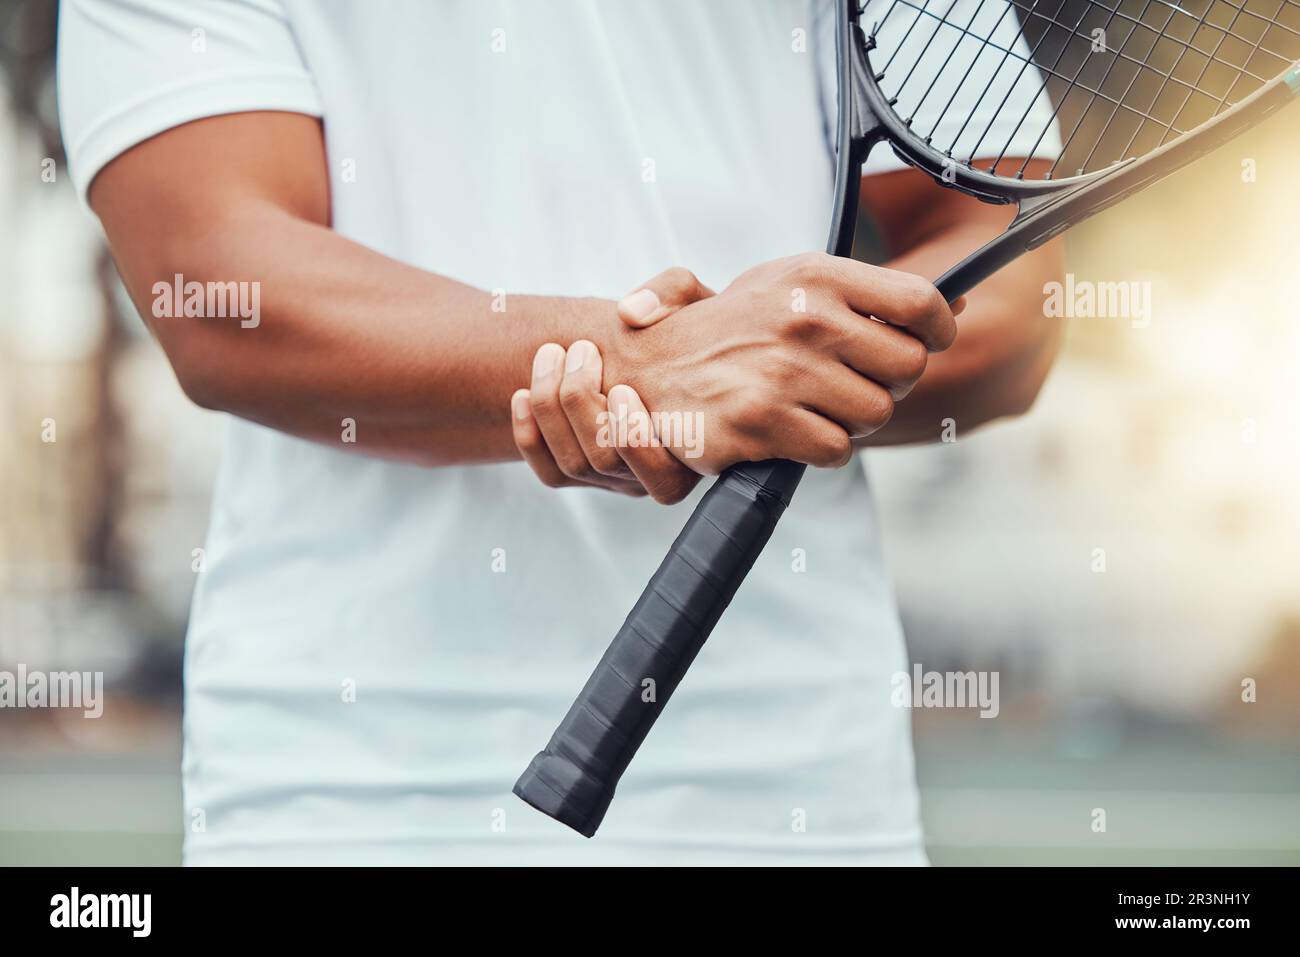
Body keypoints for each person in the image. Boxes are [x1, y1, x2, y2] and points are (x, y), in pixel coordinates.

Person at [58, 0, 1062, 865]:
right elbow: (223, 297)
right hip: (345, 785)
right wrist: (645, 365)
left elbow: (1009, 286)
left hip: (795, 789)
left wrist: (768, 373)